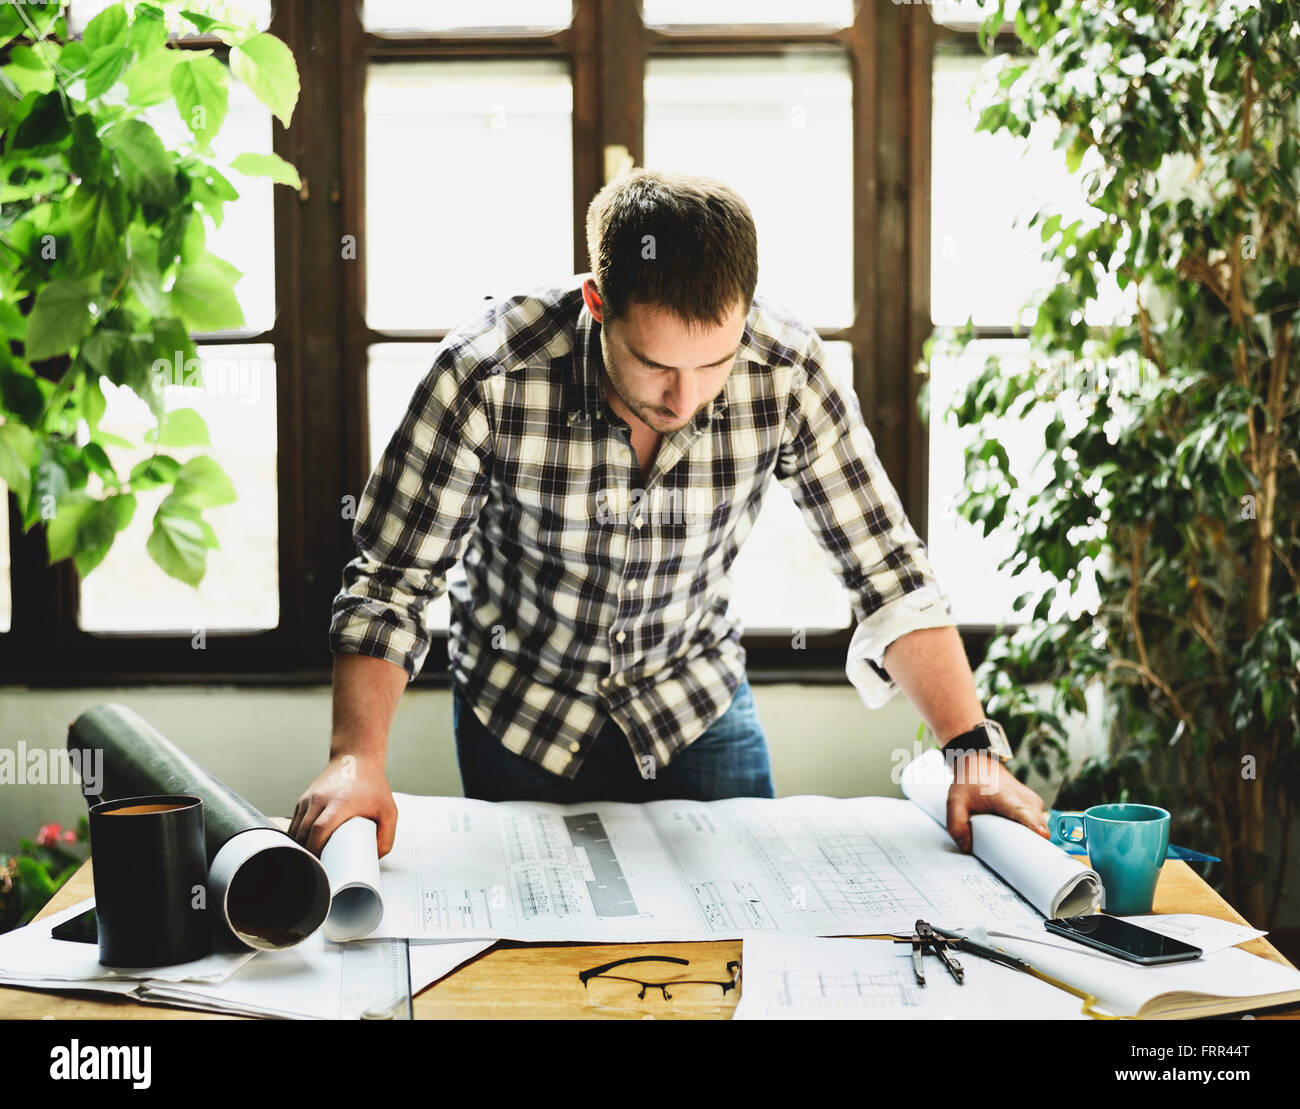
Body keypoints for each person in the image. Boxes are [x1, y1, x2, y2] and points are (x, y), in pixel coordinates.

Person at [289, 168, 1052, 860]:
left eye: (712, 365)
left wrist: (972, 752)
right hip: (522, 708)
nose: (684, 400)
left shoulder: (787, 369)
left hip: (695, 700)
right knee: (543, 960)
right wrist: (357, 760)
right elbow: (392, 582)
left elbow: (886, 568)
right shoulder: (486, 373)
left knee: (747, 939)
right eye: (655, 364)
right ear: (597, 302)